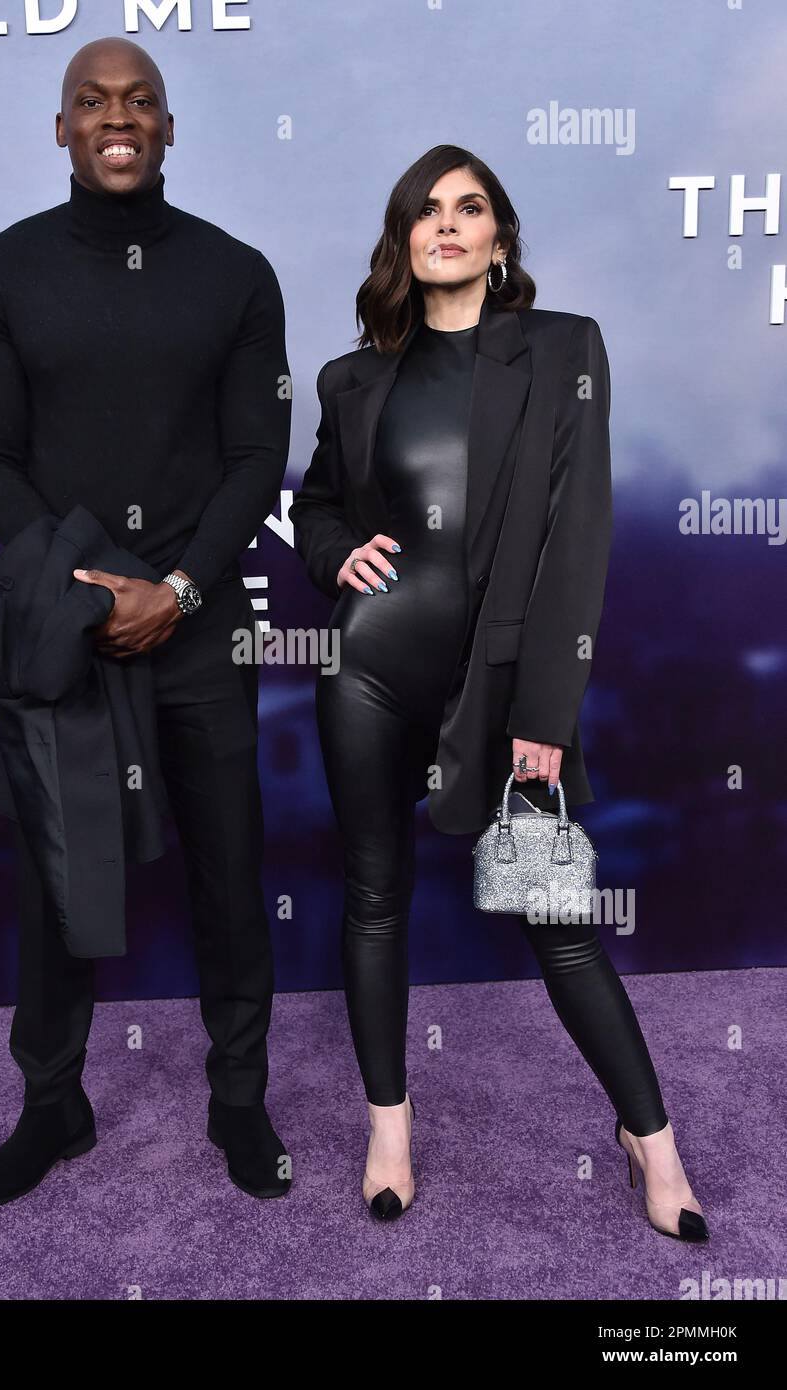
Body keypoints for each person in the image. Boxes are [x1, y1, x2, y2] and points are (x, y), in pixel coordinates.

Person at [290, 145, 708, 1240]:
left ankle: (650, 1143)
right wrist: (334, 548)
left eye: (468, 208)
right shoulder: (353, 375)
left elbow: (578, 540)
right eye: (425, 210)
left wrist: (543, 717)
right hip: (371, 668)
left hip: (510, 687)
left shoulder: (565, 350)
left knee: (557, 922)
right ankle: (390, 1128)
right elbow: (317, 503)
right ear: (402, 237)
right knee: (374, 900)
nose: (446, 224)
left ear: (499, 237)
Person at [0, 36, 292, 1209]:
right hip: (64, 624)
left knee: (230, 877)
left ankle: (238, 1102)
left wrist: (181, 589)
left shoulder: (238, 274)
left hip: (195, 622)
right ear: (59, 128)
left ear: (169, 127)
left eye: (140, 100)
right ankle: (53, 1104)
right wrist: (91, 588)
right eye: (91, 101)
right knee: (58, 877)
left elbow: (257, 456)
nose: (117, 117)